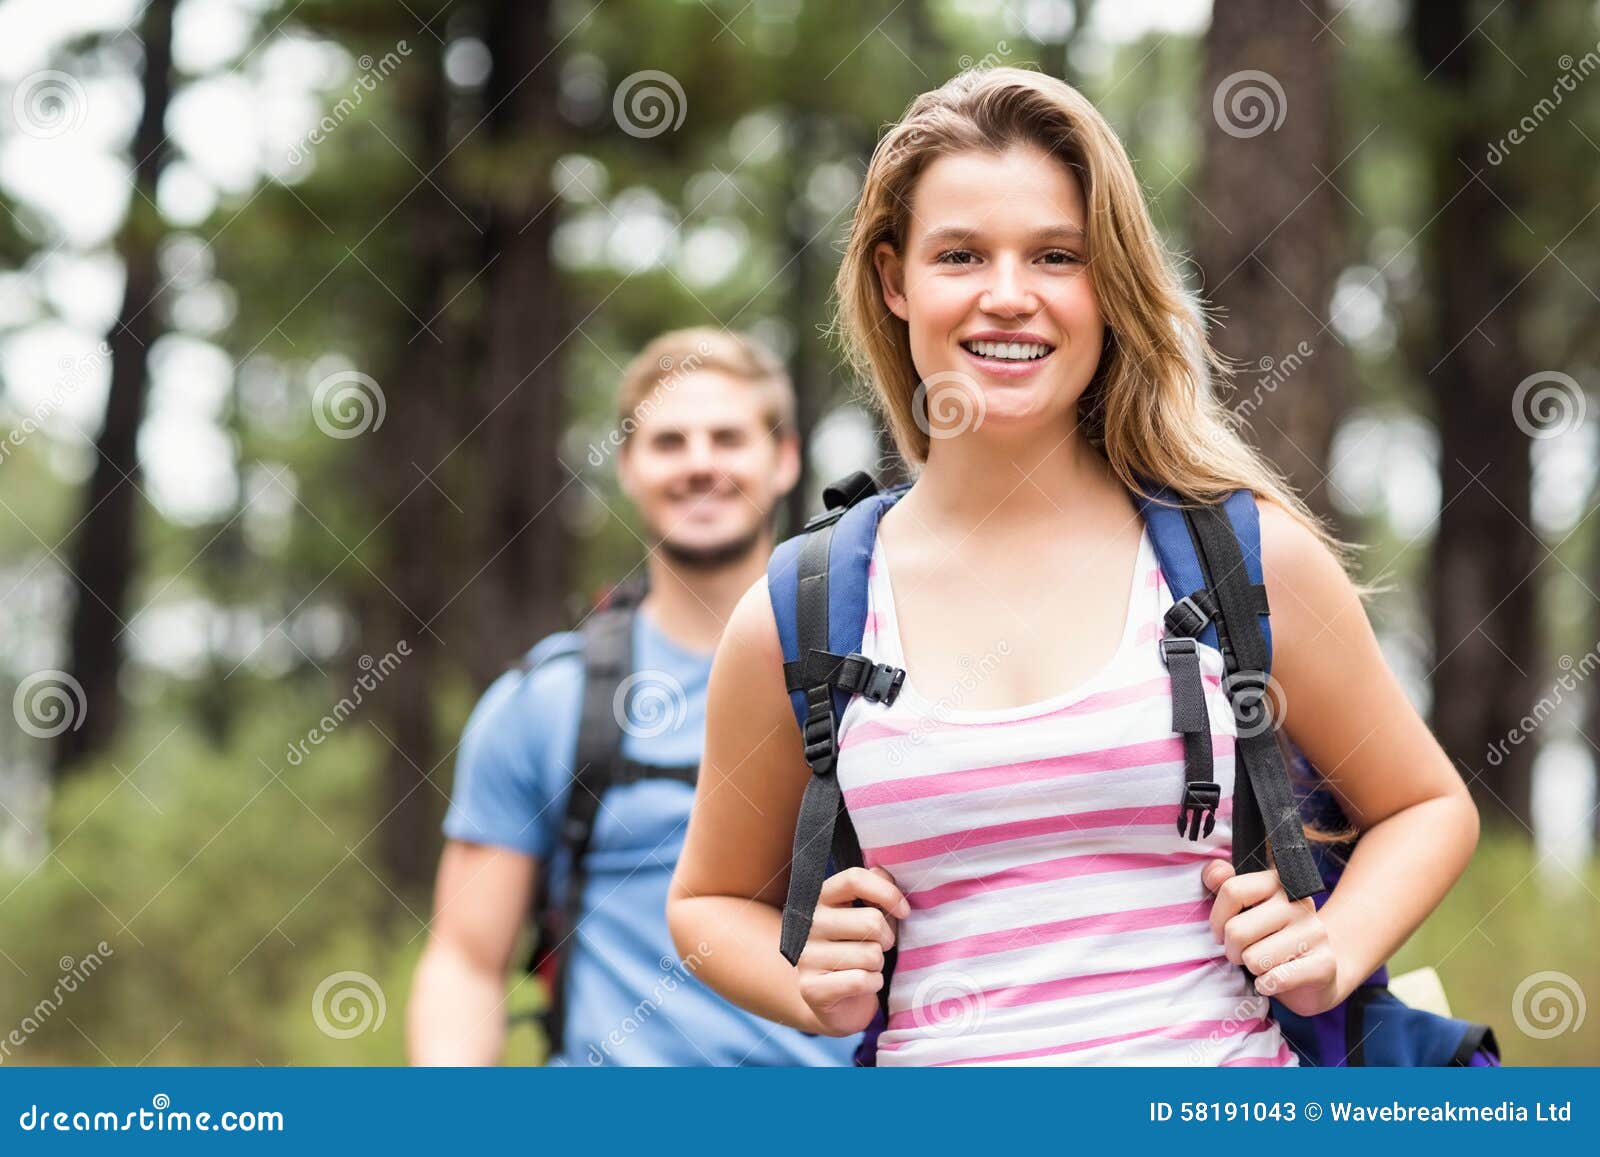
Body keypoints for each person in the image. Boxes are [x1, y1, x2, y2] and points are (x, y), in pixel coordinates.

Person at [666, 68, 1481, 1066]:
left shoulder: (1244, 556)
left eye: (1057, 255)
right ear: (893, 280)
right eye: (960, 255)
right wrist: (801, 980)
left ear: (1108, 285)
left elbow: (1426, 806)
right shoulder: (800, 611)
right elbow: (708, 900)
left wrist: (1332, 947)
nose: (1009, 296)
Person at [408, 327, 857, 1067]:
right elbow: (465, 961)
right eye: (669, 442)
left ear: (784, 458)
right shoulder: (542, 704)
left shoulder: (875, 679)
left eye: (727, 438)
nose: (700, 463)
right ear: (628, 466)